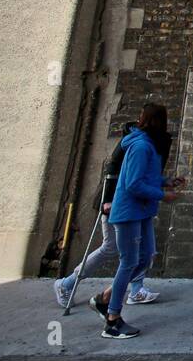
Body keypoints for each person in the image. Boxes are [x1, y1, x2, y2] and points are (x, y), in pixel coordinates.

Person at [89, 103, 183, 338]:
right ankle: (112, 320)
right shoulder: (141, 146)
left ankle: (105, 298)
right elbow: (133, 184)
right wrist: (164, 195)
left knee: (145, 258)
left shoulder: (147, 145)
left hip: (141, 211)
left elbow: (146, 177)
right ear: (159, 122)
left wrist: (166, 181)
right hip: (129, 211)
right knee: (129, 262)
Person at [52, 129, 163, 308]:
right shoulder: (134, 143)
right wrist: (107, 200)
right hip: (115, 204)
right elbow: (112, 171)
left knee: (141, 250)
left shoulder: (144, 144)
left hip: (131, 206)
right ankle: (67, 284)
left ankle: (136, 289)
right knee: (110, 247)